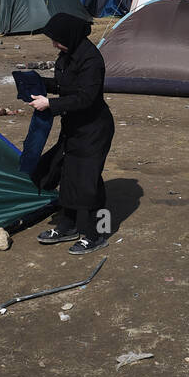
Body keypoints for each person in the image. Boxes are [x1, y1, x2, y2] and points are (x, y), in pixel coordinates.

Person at [28, 13, 116, 255]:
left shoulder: (91, 60)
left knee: (87, 181)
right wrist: (38, 83)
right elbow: (65, 85)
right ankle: (67, 226)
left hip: (94, 129)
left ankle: (95, 233)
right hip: (73, 127)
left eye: (57, 40)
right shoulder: (67, 56)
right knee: (67, 174)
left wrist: (51, 104)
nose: (54, 44)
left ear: (70, 36)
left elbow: (86, 97)